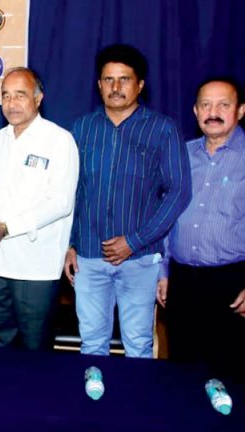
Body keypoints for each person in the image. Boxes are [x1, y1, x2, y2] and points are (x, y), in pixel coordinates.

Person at [64, 44, 191, 358]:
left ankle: (135, 406)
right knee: (92, 344)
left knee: (138, 345)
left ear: (141, 85)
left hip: (140, 260)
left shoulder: (162, 129)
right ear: (99, 85)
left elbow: (179, 192)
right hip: (89, 258)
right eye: (108, 80)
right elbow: (72, 190)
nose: (116, 87)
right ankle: (93, 404)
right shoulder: (83, 128)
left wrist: (134, 242)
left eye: (124, 79)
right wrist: (70, 244)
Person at [0, 68, 78, 350]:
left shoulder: (59, 140)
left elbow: (60, 202)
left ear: (38, 98)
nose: (12, 103)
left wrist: (7, 227)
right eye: (6, 96)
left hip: (36, 268)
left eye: (20, 95)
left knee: (34, 351)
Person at [157, 78, 245, 379]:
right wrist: (164, 272)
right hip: (183, 284)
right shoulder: (180, 155)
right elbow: (167, 217)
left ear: (241, 110)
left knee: (231, 377)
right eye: (205, 104)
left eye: (224, 104)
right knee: (183, 376)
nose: (213, 111)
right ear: (195, 111)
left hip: (232, 286)